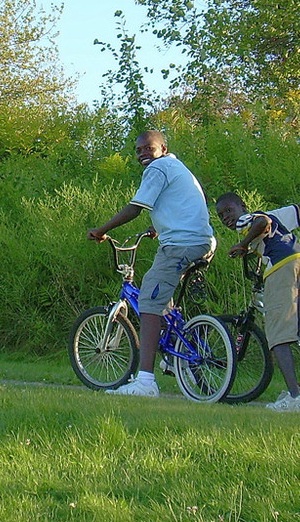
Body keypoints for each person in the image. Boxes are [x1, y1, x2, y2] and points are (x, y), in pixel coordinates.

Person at [87, 130, 215, 397]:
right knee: (162, 300)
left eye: (148, 148)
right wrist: (158, 226)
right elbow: (177, 203)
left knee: (148, 301)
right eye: (138, 150)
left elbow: (135, 208)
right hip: (200, 241)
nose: (143, 153)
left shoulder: (158, 168)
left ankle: (145, 381)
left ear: (163, 148)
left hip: (180, 244)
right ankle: (175, 357)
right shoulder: (176, 166)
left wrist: (101, 229)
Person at [216, 193, 300, 413]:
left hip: (282, 266)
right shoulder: (275, 216)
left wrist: (244, 244)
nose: (226, 218)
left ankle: (295, 397)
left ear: (242, 206)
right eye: (221, 216)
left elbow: (262, 222)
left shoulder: (245, 221)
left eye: (229, 210)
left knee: (279, 333)